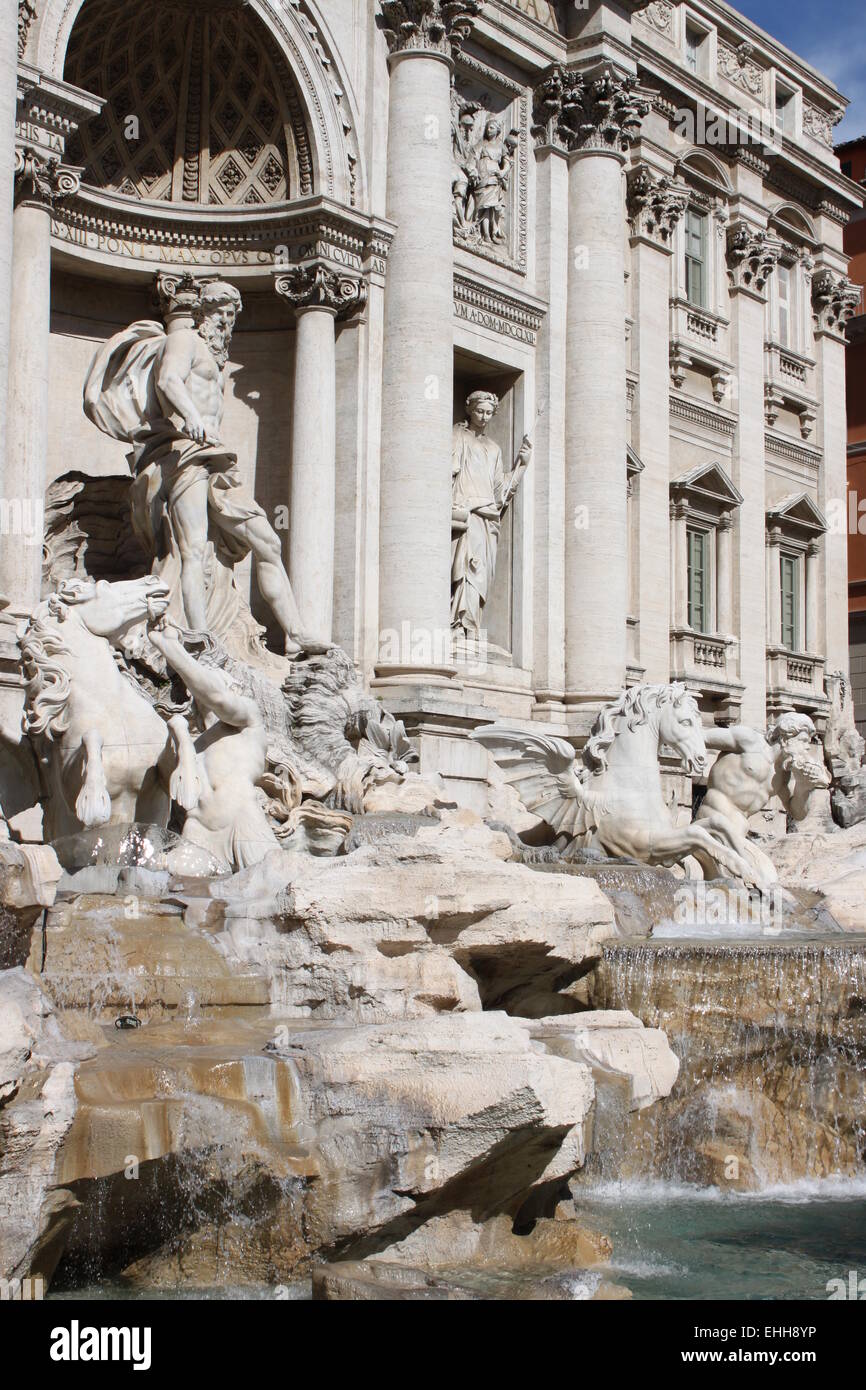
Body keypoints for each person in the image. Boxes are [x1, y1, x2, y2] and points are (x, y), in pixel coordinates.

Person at [84, 276, 309, 657]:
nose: (226, 323)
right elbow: (169, 380)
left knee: (267, 540)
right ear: (203, 313)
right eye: (221, 313)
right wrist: (190, 417)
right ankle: (199, 634)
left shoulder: (215, 358)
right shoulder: (184, 340)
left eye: (232, 316)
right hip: (183, 453)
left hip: (215, 460)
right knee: (192, 548)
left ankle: (296, 634)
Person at [450, 390, 531, 640]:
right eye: (479, 411)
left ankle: (471, 625)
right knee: (465, 570)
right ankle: (458, 624)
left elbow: (501, 492)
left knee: (480, 576)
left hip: (488, 519)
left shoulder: (494, 449)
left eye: (488, 413)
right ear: (469, 410)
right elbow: (448, 472)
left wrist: (522, 465)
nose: (484, 417)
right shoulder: (457, 436)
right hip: (468, 514)